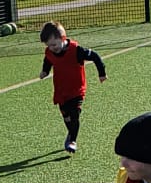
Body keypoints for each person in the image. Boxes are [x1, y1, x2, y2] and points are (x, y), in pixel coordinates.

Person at [39, 22, 107, 153]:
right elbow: (48, 60)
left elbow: (95, 56)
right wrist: (45, 71)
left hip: (77, 89)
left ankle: (73, 140)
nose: (52, 48)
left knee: (74, 114)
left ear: (63, 38)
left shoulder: (76, 50)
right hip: (61, 91)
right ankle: (71, 133)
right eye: (49, 46)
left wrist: (102, 73)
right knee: (66, 116)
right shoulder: (50, 52)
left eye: (54, 44)